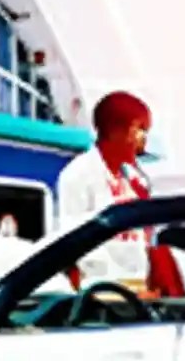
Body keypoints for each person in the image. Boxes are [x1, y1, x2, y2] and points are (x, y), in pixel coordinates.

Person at [55, 91, 153, 288]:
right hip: (99, 288)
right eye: (139, 129)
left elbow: (144, 237)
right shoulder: (77, 175)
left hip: (137, 285)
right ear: (116, 130)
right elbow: (75, 240)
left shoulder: (133, 178)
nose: (143, 139)